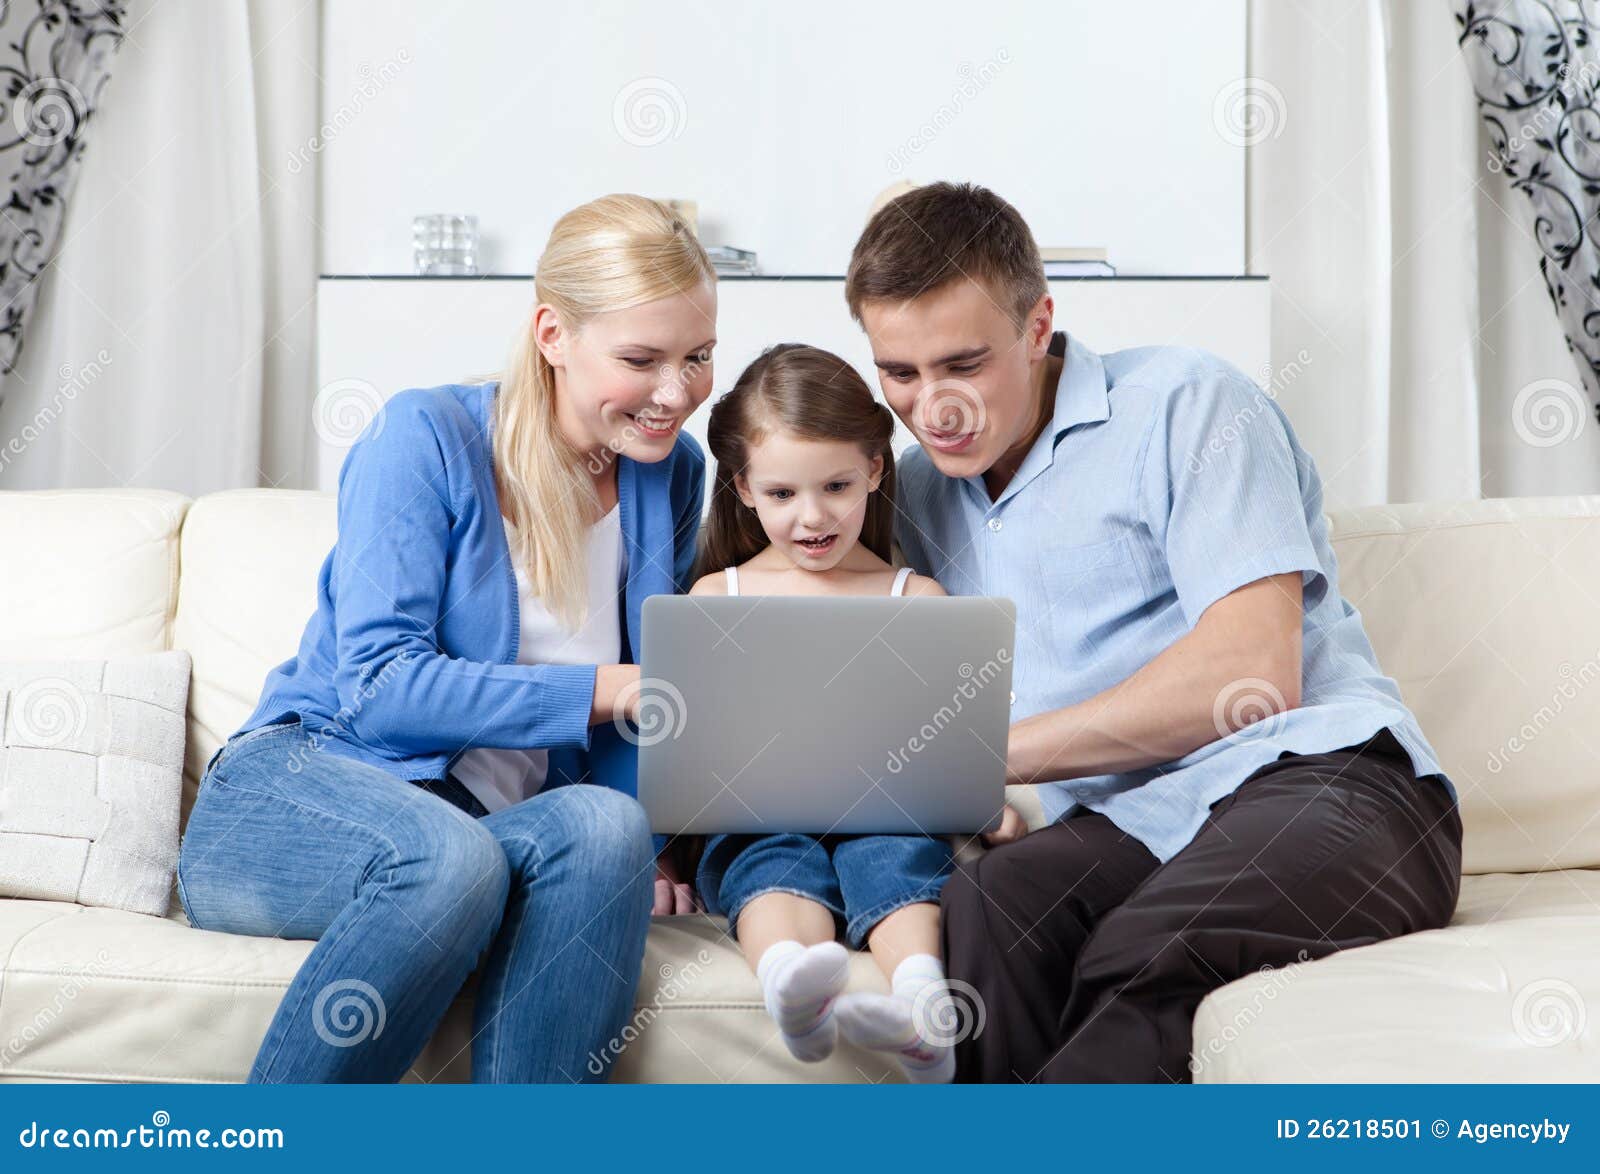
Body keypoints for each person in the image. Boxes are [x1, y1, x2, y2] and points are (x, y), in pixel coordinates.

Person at [845, 181, 1463, 1083]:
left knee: (1143, 946)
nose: (935, 407)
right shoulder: (916, 493)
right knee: (990, 903)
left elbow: (1251, 675)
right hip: (1129, 822)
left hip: (1329, 786)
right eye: (900, 374)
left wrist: (986, 757)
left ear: (1038, 324)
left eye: (963, 364)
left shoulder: (1187, 403)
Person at [176, 194, 716, 1082]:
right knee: (447, 857)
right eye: (641, 359)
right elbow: (382, 693)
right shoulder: (424, 436)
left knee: (608, 825)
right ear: (552, 334)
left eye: (698, 358)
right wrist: (605, 687)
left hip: (479, 831)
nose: (676, 393)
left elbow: (651, 705)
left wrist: (655, 850)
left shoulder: (671, 473)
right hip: (300, 794)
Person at [687, 343, 964, 1082]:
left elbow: (945, 738)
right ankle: (789, 984)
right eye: (782, 495)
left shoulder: (917, 597)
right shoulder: (719, 598)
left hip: (889, 806)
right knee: (766, 856)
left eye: (837, 485)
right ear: (743, 489)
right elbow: (696, 747)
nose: (813, 517)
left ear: (876, 468)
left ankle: (924, 1008)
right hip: (759, 810)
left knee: (892, 849)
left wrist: (984, 794)